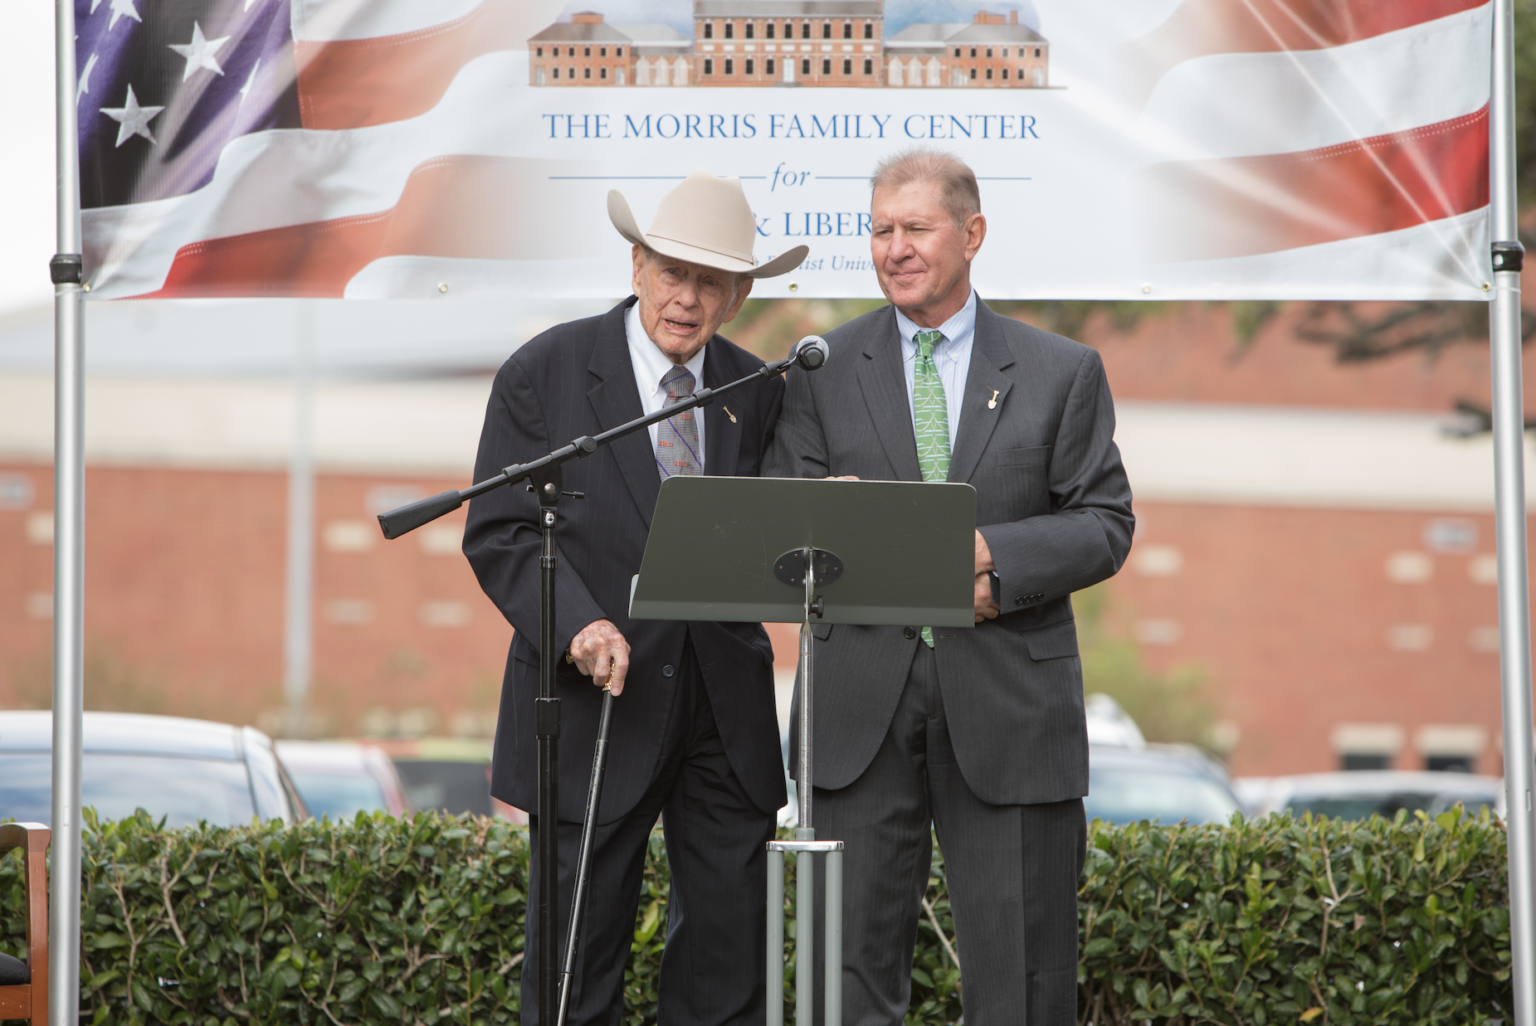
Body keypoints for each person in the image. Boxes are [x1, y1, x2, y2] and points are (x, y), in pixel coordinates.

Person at [764, 149, 1135, 1026]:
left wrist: (990, 563)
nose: (895, 248)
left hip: (1009, 703)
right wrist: (826, 524)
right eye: (880, 230)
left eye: (915, 229)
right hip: (857, 709)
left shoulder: (1061, 371)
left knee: (1024, 985)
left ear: (970, 234)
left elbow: (1104, 524)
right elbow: (789, 523)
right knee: (842, 980)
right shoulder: (819, 366)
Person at [464, 169, 810, 1026]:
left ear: (736, 297)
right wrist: (576, 622)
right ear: (636, 266)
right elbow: (498, 530)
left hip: (724, 713)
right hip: (592, 710)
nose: (687, 299)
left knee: (730, 974)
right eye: (672, 273)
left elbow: (772, 536)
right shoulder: (544, 371)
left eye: (711, 283)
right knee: (575, 977)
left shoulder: (757, 389)